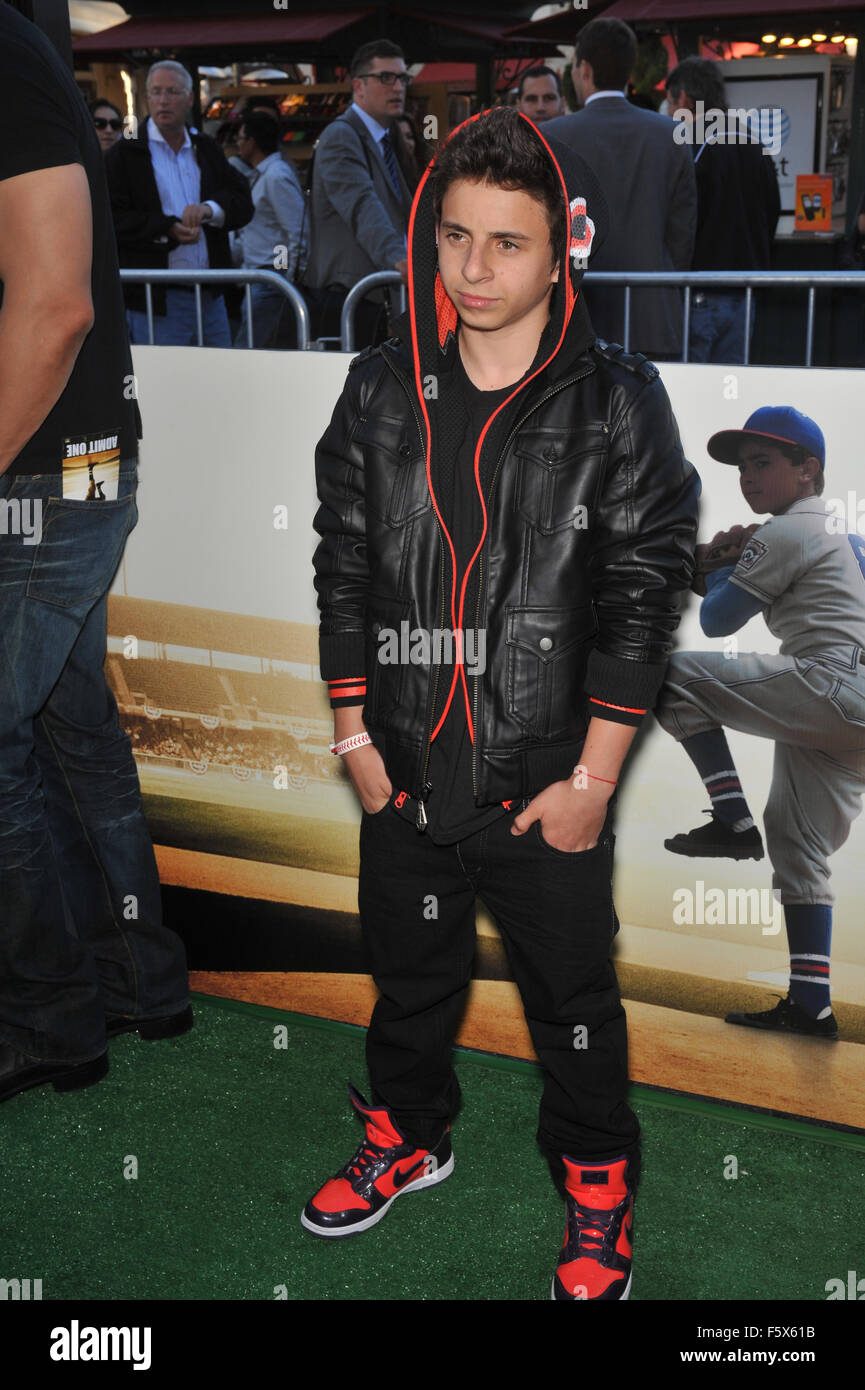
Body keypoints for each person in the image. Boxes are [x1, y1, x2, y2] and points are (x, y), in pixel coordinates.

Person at [306, 104, 700, 1299]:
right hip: (405, 772)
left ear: (559, 249)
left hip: (544, 785)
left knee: (573, 1004)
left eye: (508, 243)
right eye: (455, 237)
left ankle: (595, 1182)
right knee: (408, 979)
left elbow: (642, 595)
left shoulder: (618, 400)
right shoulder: (379, 387)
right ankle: (410, 1135)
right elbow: (344, 562)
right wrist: (351, 732)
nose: (474, 270)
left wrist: (590, 782)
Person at [0, 2, 192, 1105]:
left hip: (41, 471)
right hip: (64, 465)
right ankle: (135, 981)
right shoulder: (26, 56)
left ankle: (50, 1014)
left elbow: (55, 306)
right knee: (73, 733)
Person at [655, 407, 865, 1040]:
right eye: (743, 466)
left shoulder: (788, 530)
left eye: (765, 462)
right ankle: (811, 1005)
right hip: (851, 709)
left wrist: (725, 562)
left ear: (809, 472)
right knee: (799, 847)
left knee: (668, 677)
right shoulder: (843, 532)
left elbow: (718, 619)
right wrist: (727, 560)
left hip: (828, 685)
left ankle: (731, 819)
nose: (749, 477)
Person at [545, 16, 696, 360]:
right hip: (653, 317)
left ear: (583, 69)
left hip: (573, 320)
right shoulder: (671, 136)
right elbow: (682, 237)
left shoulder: (553, 136)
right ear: (631, 70)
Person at [105, 59, 253, 346]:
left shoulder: (205, 148)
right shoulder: (126, 153)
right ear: (146, 99)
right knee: (165, 387)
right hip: (156, 300)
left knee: (219, 381)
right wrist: (166, 228)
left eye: (172, 92)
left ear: (189, 99)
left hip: (210, 298)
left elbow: (243, 201)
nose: (163, 100)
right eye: (156, 92)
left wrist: (210, 210)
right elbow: (110, 219)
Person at [666, 57, 781, 364]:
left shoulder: (690, 145)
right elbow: (773, 211)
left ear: (684, 100)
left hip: (699, 291)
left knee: (687, 394)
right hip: (745, 291)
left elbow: (680, 219)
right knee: (730, 392)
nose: (668, 114)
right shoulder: (753, 141)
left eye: (669, 104)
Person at [303, 39, 413, 349]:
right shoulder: (341, 136)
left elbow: (404, 208)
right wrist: (399, 260)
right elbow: (362, 205)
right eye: (386, 78)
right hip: (349, 298)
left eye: (402, 78)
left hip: (373, 296)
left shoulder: (386, 138)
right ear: (358, 86)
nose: (398, 87)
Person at [232, 112, 307, 348]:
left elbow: (296, 232)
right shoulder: (267, 174)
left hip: (270, 280)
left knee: (249, 352)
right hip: (263, 278)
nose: (237, 143)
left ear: (252, 142)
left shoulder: (275, 175)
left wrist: (288, 275)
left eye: (240, 138)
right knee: (251, 350)